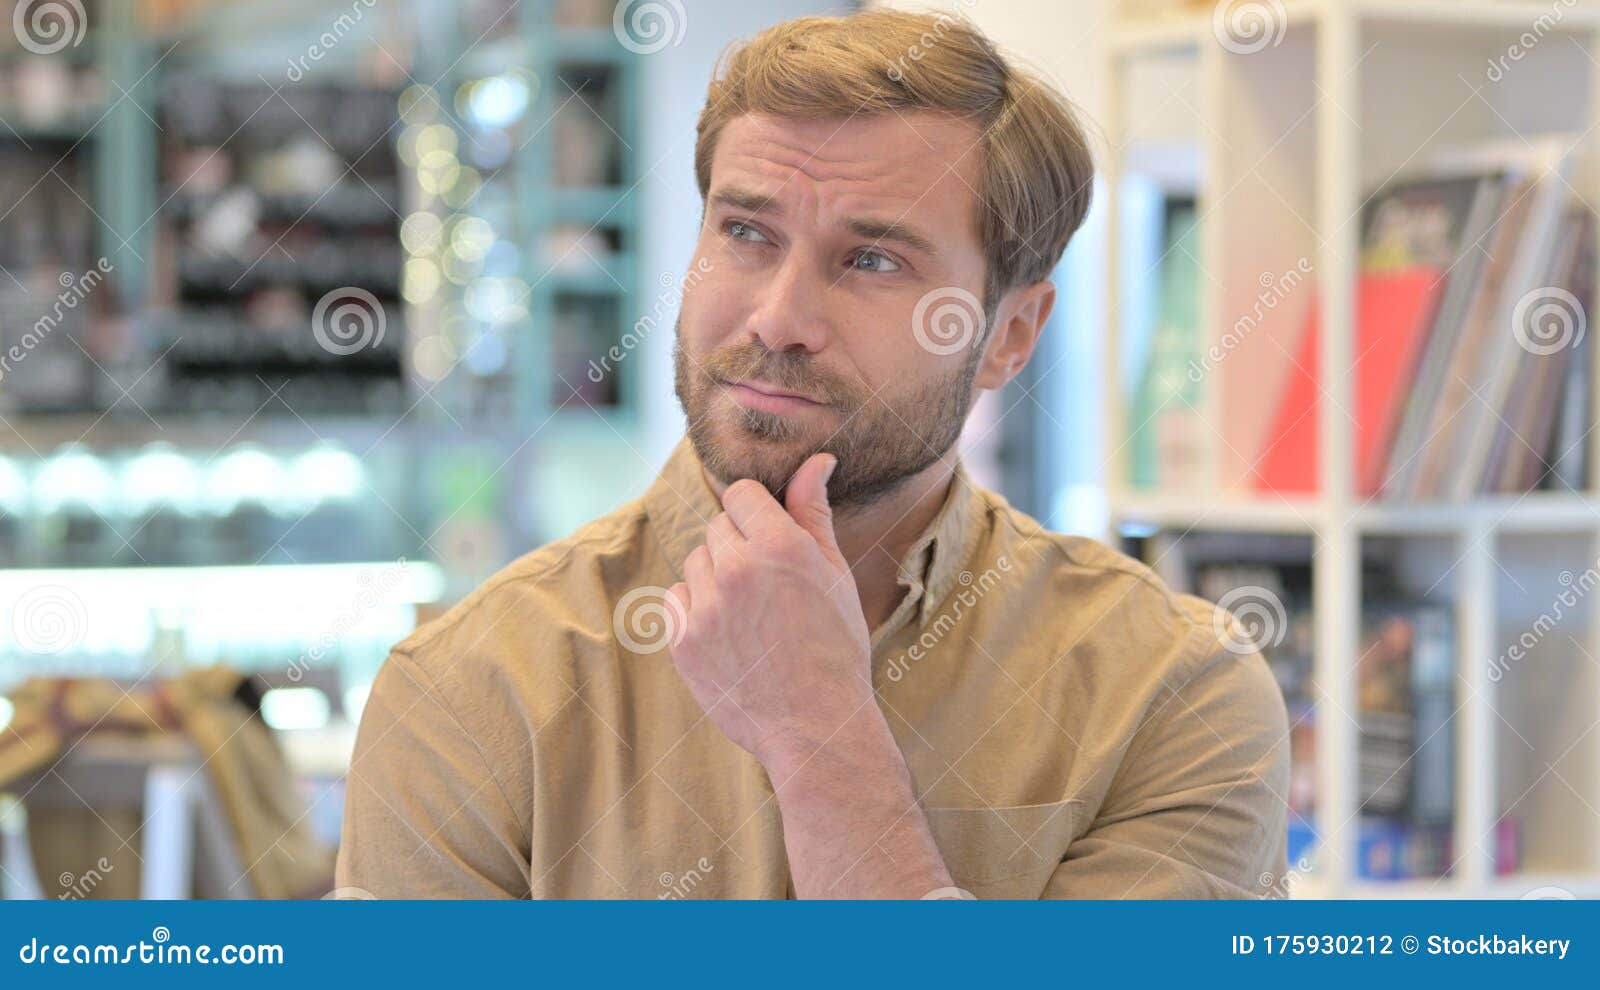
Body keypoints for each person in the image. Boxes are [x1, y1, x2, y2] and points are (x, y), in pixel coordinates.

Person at [337, 8, 1289, 899]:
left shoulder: (1173, 696)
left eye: (873, 260)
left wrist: (817, 733)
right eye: (746, 233)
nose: (778, 319)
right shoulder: (472, 690)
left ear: (1010, 334)